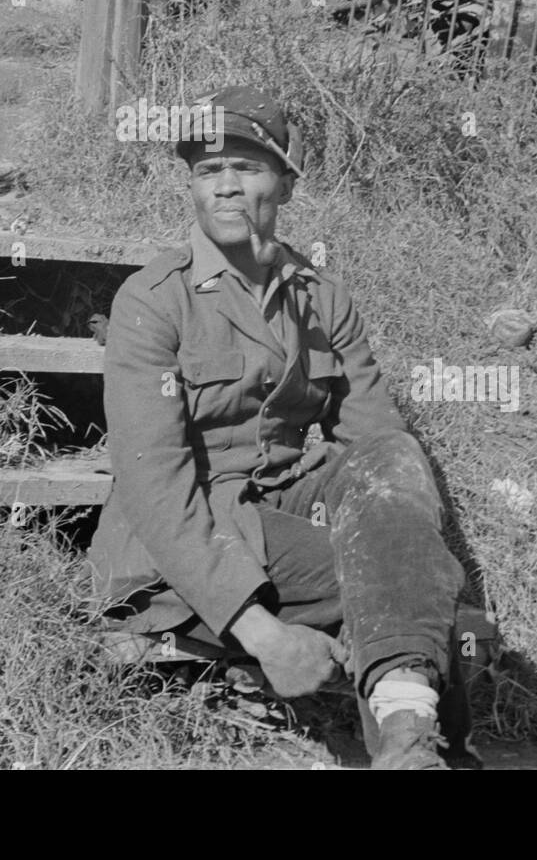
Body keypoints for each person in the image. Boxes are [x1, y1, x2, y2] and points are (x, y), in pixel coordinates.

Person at [88, 85, 472, 769]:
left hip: (286, 507)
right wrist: (262, 633)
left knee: (394, 469)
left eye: (246, 166)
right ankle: (415, 733)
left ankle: (408, 741)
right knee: (421, 596)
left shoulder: (320, 297)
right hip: (190, 527)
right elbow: (155, 491)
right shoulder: (153, 300)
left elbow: (373, 441)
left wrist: (385, 522)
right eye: (209, 170)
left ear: (287, 184)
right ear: (192, 188)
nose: (226, 186)